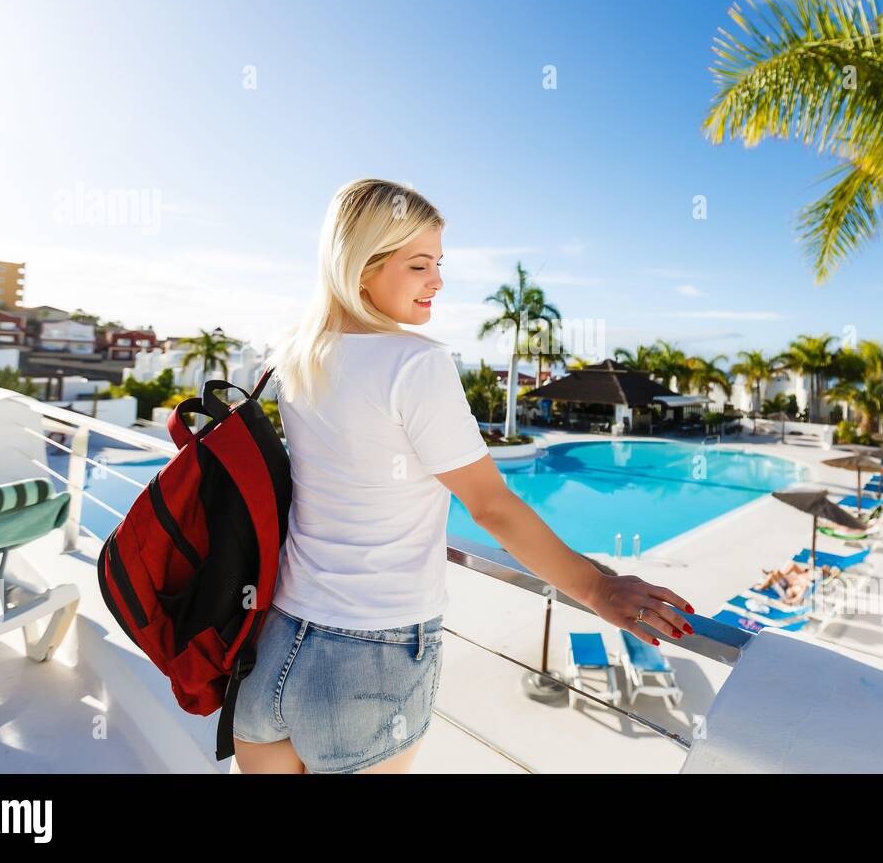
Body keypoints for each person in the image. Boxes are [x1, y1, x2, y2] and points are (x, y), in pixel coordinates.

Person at [230, 178, 695, 774]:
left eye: (439, 264)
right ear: (362, 266)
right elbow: (489, 506)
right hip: (369, 658)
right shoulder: (415, 364)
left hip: (276, 646)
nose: (439, 282)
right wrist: (596, 589)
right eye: (420, 264)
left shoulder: (297, 355)